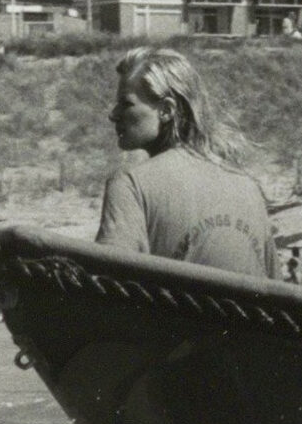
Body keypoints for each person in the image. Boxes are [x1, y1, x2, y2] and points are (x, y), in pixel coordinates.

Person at [97, 45, 276, 277]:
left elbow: (109, 288)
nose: (113, 114)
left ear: (166, 110)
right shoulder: (248, 186)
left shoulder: (131, 185)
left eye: (126, 104)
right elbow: (275, 288)